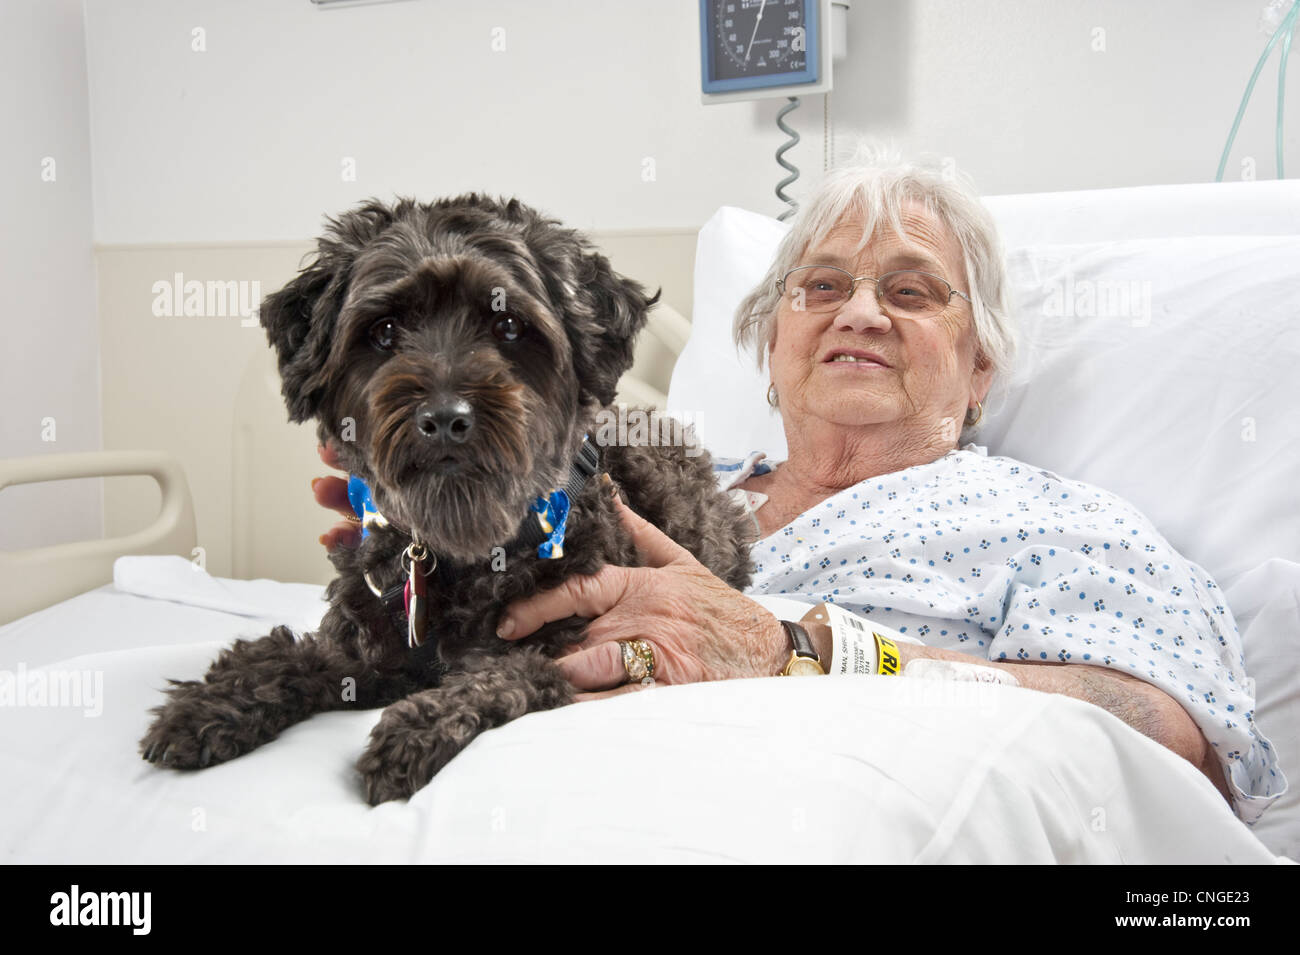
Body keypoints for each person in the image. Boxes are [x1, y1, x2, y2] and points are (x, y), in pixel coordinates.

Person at [312, 158, 1282, 826]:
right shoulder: (649, 491)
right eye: (820, 287)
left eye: (910, 292)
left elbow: (1171, 743)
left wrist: (801, 648)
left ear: (979, 365)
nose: (859, 310)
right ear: (770, 351)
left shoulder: (1056, 521)